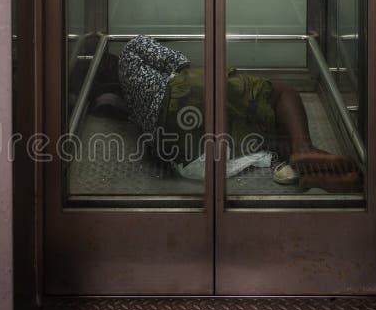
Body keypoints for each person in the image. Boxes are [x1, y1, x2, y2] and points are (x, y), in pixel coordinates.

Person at [117, 35, 360, 193]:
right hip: (182, 93)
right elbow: (181, 64)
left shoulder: (134, 110)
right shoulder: (129, 54)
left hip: (181, 149)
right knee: (280, 95)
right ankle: (305, 150)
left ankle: (312, 174)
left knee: (269, 133)